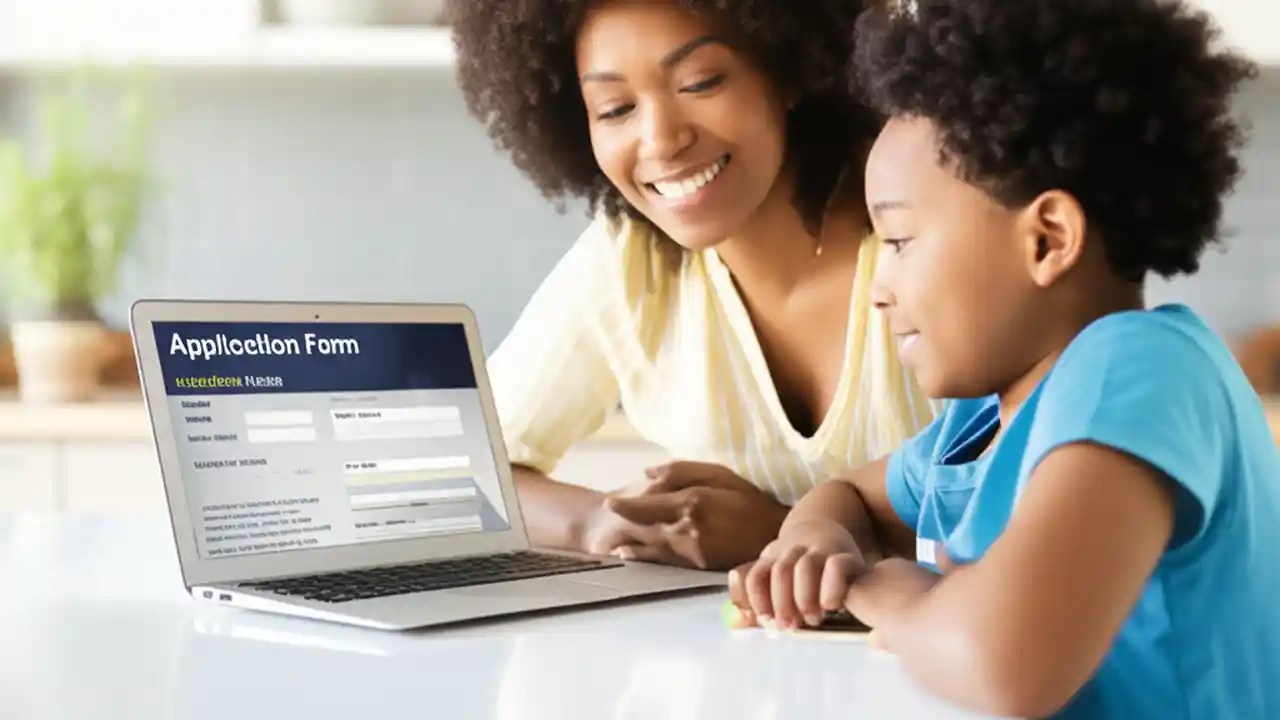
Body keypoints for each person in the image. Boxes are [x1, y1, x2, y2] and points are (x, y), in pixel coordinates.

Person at [729, 0, 1279, 718]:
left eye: (897, 242)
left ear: (1047, 239)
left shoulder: (1139, 369)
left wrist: (884, 590)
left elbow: (1005, 664)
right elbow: (849, 497)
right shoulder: (985, 422)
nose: (879, 291)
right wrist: (817, 545)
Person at [449, 0, 933, 571]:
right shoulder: (630, 261)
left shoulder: (926, 223)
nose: (660, 140)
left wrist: (783, 535)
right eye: (616, 108)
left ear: (785, 71)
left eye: (700, 82)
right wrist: (598, 522)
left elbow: (1034, 506)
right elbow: (461, 468)